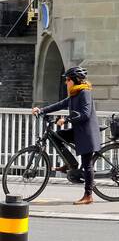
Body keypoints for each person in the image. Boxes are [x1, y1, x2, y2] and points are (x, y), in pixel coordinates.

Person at [33, 67, 102, 205]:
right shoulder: (74, 93)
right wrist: (42, 110)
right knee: (57, 136)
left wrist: (67, 119)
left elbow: (85, 114)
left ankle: (88, 196)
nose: (66, 82)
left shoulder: (85, 93)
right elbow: (61, 104)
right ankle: (70, 163)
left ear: (75, 80)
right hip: (78, 131)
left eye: (68, 79)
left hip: (87, 133)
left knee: (87, 165)